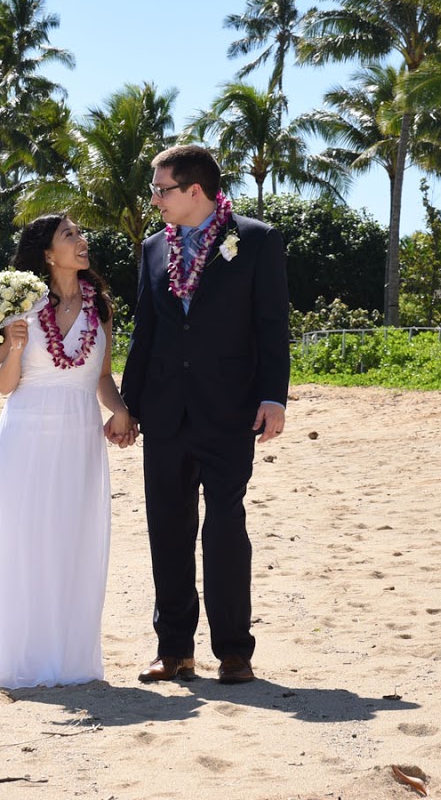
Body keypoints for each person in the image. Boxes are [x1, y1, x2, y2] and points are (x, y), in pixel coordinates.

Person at [120, 144, 291, 686]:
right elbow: (145, 332)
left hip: (229, 409)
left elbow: (270, 325)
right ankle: (173, 651)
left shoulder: (256, 239)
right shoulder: (152, 248)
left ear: (195, 190)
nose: (154, 199)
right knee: (166, 531)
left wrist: (273, 397)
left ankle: (234, 652)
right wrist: (128, 406)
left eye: (161, 189)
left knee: (224, 528)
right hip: (165, 411)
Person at [0, 215, 134, 690]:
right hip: (25, 436)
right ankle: (19, 658)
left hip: (78, 435)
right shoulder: (20, 302)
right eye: (70, 235)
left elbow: (100, 376)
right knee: (23, 541)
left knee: (71, 540)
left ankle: (68, 659)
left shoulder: (100, 307)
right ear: (46, 252)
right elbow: (3, 385)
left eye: (82, 233)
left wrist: (120, 411)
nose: (83, 241)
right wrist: (13, 347)